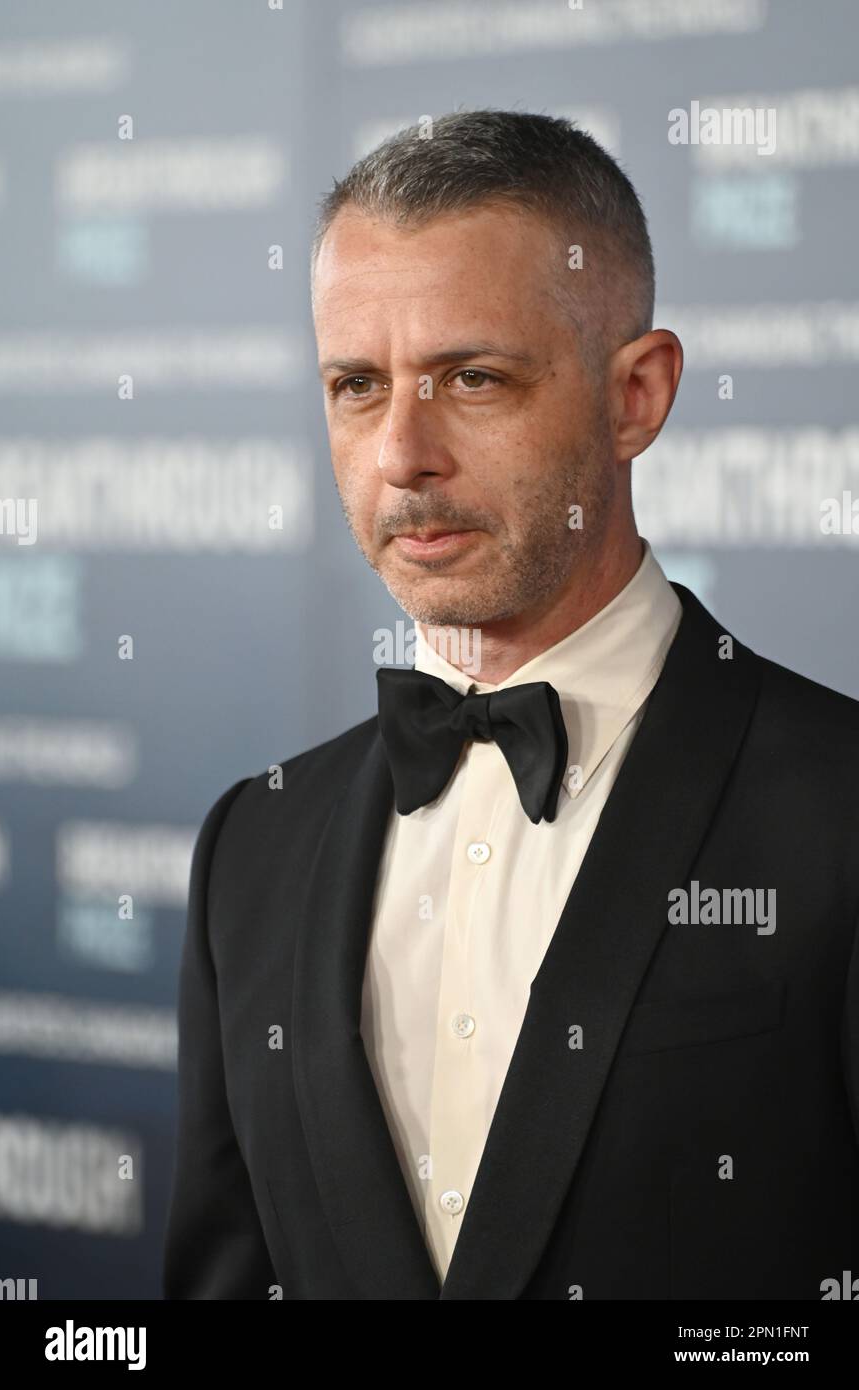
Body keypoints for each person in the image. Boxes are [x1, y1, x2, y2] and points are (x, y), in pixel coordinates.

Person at [163, 110, 859, 1300]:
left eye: (471, 378)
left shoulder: (839, 810)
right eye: (356, 385)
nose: (401, 453)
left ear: (636, 395)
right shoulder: (252, 848)